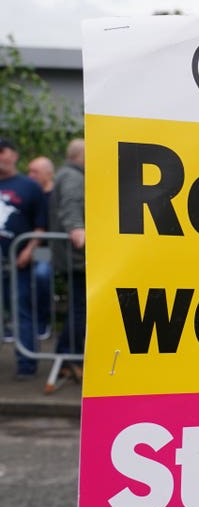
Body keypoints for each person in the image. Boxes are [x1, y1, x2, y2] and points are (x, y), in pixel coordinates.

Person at [0, 139, 46, 379]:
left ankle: (26, 364)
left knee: (21, 311)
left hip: (18, 260)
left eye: (2, 151)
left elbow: (41, 224)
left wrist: (29, 250)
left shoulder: (29, 187)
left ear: (14, 155)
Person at [48, 139, 85, 378]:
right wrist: (77, 228)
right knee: (80, 309)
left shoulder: (64, 174)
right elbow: (71, 204)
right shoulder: (73, 177)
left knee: (77, 307)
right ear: (81, 155)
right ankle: (70, 358)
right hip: (77, 256)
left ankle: (64, 357)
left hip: (67, 256)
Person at [25, 156, 55, 342]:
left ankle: (42, 321)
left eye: (34, 171)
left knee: (41, 275)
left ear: (47, 173)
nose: (30, 175)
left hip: (46, 248)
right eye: (29, 171)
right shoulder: (29, 191)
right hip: (25, 246)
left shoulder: (56, 193)